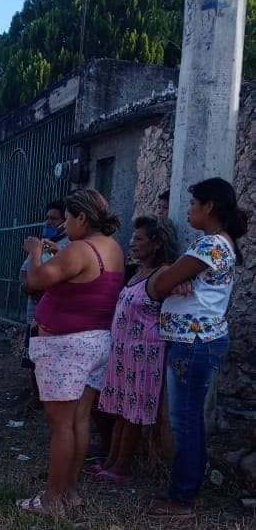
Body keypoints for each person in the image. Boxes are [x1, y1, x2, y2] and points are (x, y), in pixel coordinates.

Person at [146, 178, 248, 520]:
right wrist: (174, 276)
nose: (188, 210)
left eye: (192, 204)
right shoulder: (215, 245)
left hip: (194, 343)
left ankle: (182, 499)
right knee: (188, 420)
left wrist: (168, 276)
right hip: (199, 341)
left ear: (210, 207)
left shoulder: (210, 247)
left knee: (185, 421)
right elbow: (167, 283)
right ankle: (184, 490)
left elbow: (158, 287)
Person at [19, 189, 124, 515]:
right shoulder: (112, 247)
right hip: (96, 342)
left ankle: (51, 500)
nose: (63, 226)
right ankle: (71, 493)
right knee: (79, 420)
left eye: (66, 218)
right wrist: (57, 252)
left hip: (66, 347)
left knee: (61, 425)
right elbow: (86, 280)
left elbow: (36, 280)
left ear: (81, 217)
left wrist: (36, 252)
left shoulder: (79, 249)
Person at [95, 216, 177, 483]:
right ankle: (112, 460)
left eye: (139, 238)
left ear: (156, 244)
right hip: (124, 354)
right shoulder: (138, 272)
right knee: (120, 410)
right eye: (132, 237)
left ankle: (122, 467)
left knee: (133, 413)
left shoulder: (162, 273)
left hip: (144, 356)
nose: (132, 243)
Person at [19, 200, 69, 368]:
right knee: (33, 363)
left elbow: (60, 280)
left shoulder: (69, 247)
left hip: (53, 319)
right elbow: (24, 271)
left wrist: (38, 285)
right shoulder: (41, 244)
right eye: (47, 218)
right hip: (33, 315)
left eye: (53, 219)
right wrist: (29, 285)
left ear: (65, 221)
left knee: (48, 366)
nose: (48, 222)